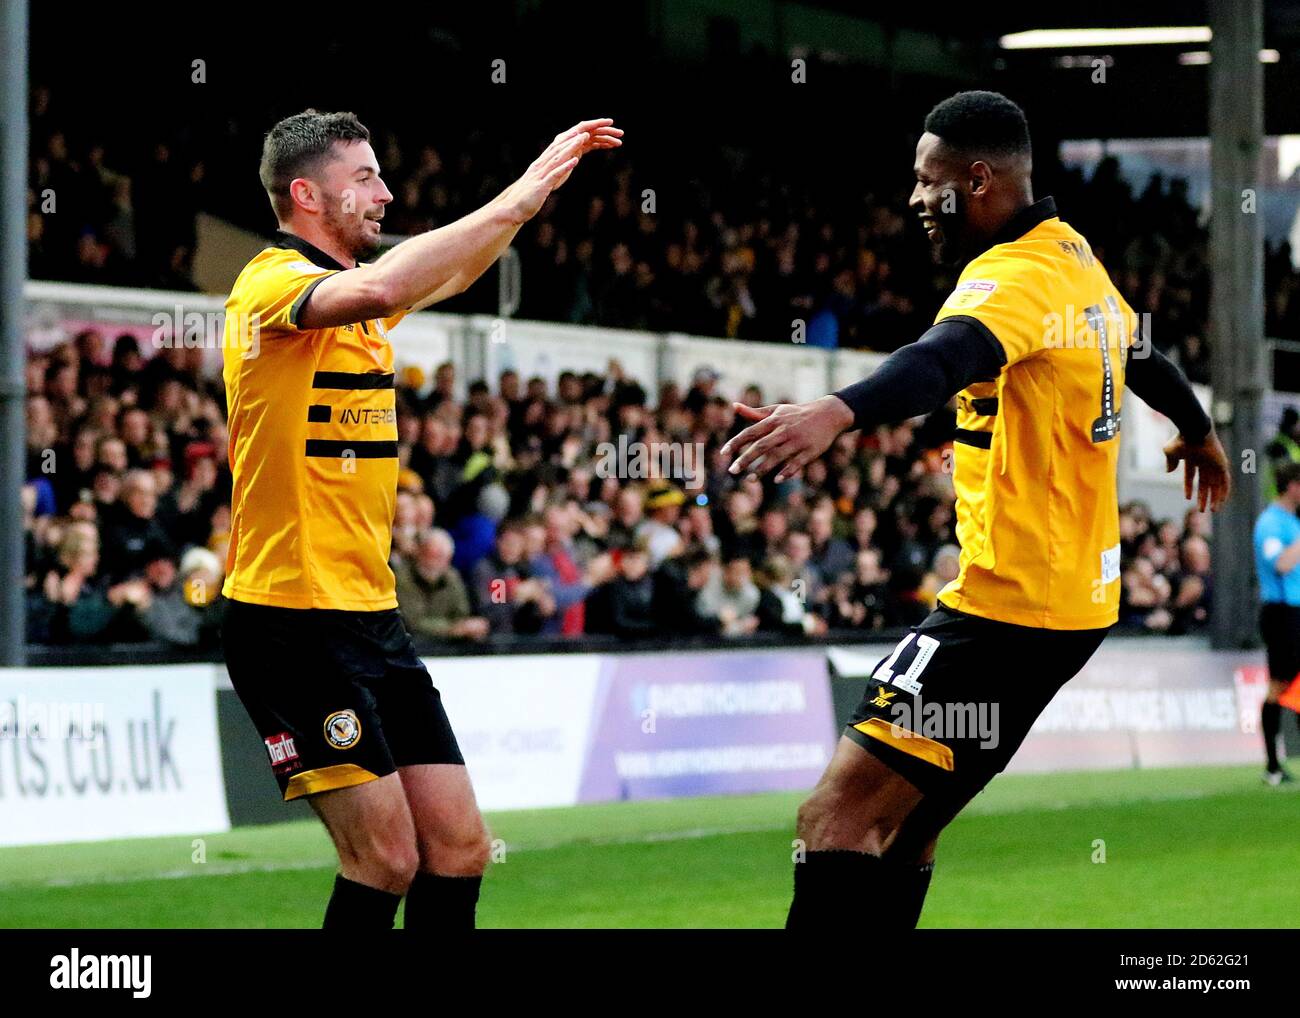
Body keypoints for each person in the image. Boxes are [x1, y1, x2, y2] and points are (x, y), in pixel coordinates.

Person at [721, 91, 1231, 929]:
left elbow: (945, 356)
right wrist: (1200, 427)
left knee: (836, 822)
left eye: (928, 182)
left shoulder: (1010, 278)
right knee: (906, 829)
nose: (917, 199)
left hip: (1004, 609)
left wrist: (835, 410)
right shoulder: (1072, 257)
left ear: (979, 180)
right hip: (1073, 610)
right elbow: (1139, 349)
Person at [219, 109, 621, 930]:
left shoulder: (361, 309)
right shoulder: (267, 284)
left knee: (460, 849)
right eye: (364, 177)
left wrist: (530, 204)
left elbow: (448, 276)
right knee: (385, 859)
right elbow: (389, 281)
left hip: (371, 617)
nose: (386, 194)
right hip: (289, 623)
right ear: (305, 194)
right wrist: (515, 195)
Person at [1253, 461, 1300, 785]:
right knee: (1279, 686)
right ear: (1292, 485)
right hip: (1281, 613)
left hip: (1297, 611)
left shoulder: (1293, 523)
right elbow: (1281, 563)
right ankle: (1272, 765)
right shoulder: (1271, 523)